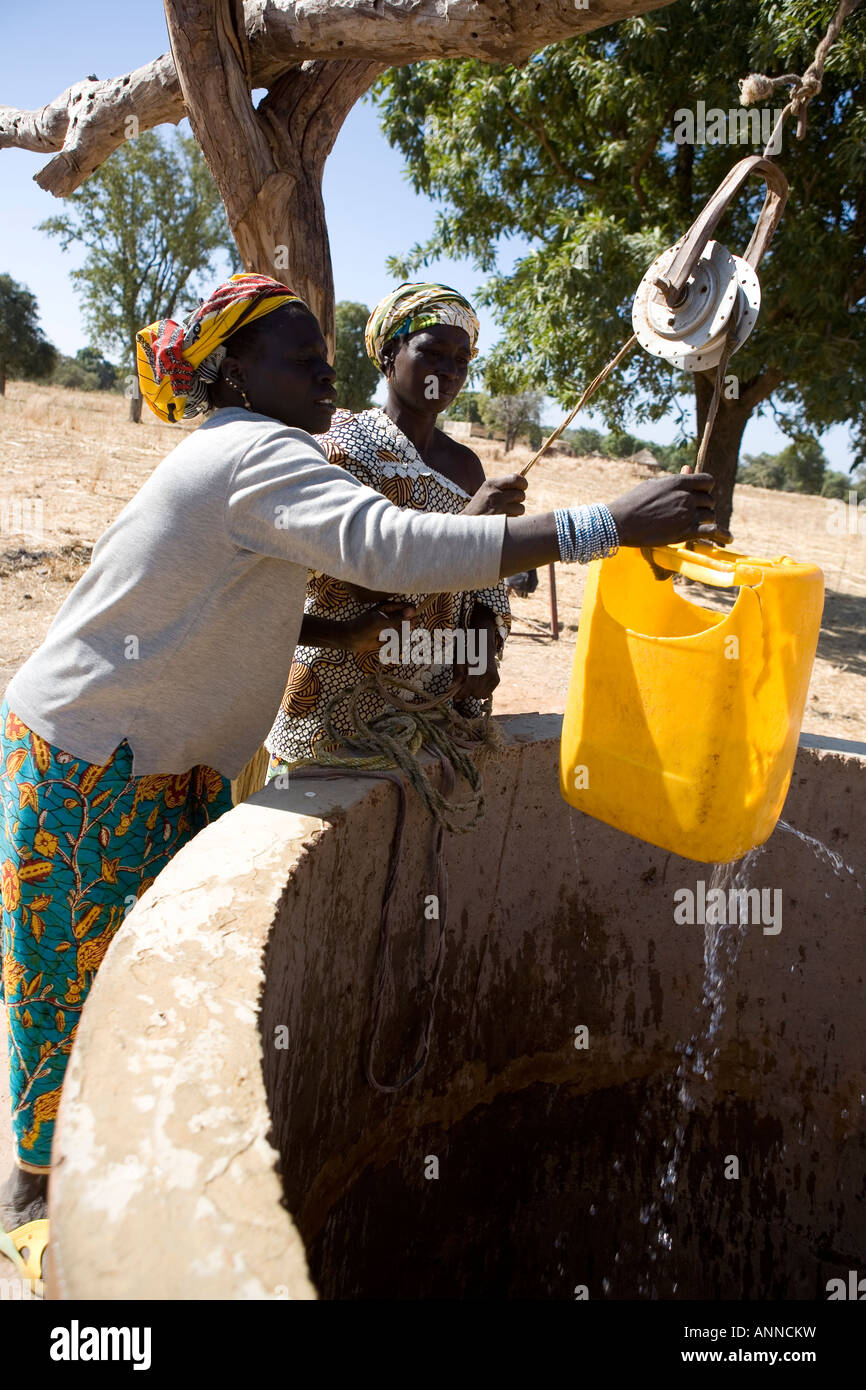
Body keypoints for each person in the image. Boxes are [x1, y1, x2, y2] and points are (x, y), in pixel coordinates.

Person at [0, 271, 717, 1264]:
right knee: (65, 1027)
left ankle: (99, 1217)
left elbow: (272, 598)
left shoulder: (258, 450)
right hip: (97, 758)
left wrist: (383, 610)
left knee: (131, 1004)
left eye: (321, 348)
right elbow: (392, 547)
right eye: (299, 353)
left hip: (164, 761)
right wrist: (608, 525)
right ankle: (43, 1236)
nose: (321, 365)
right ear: (234, 368)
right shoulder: (261, 453)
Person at [264, 282, 525, 782]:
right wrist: (472, 521)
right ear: (389, 355)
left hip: (431, 699)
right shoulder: (337, 444)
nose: (448, 371)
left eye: (461, 359)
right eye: (432, 353)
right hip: (333, 692)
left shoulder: (465, 466)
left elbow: (485, 582)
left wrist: (483, 646)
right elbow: (367, 571)